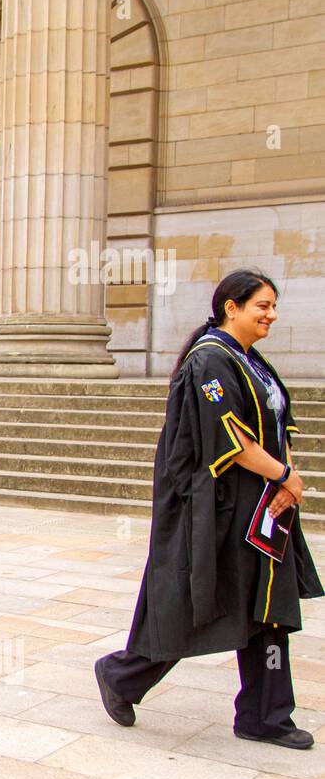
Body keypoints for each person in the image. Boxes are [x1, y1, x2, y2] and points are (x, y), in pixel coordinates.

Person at [95, 270, 322, 750]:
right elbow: (232, 439)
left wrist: (283, 477)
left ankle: (266, 715)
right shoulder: (211, 362)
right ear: (230, 307)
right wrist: (285, 477)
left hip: (261, 504)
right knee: (198, 604)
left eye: (274, 305)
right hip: (221, 509)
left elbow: (273, 427)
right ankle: (122, 674)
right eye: (262, 305)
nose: (272, 315)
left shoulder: (249, 360)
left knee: (268, 608)